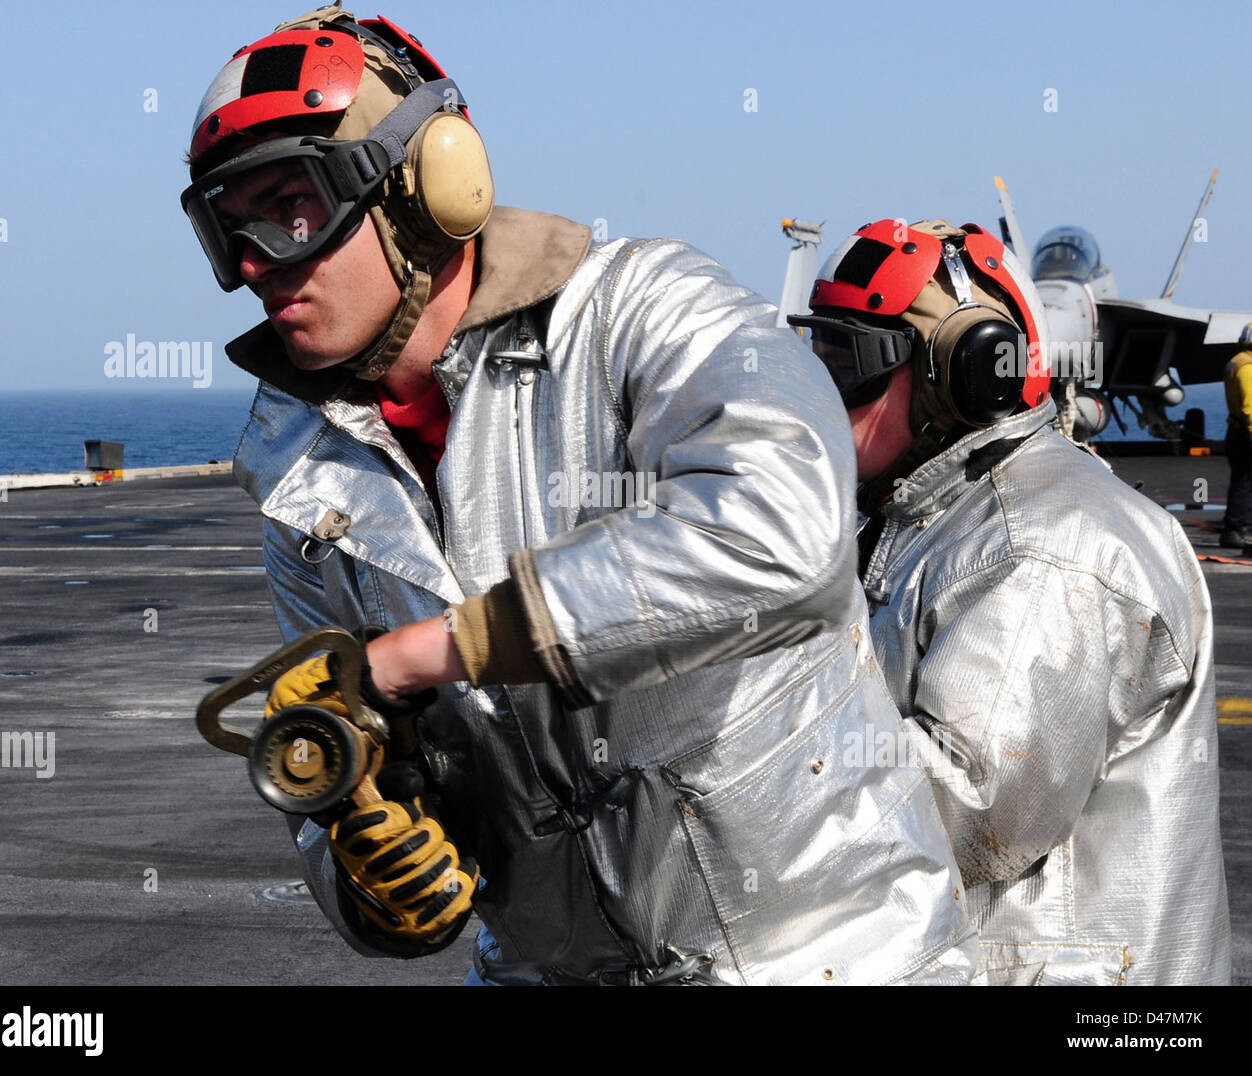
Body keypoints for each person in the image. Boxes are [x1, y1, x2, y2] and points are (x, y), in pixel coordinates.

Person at [180, 6, 978, 984]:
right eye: (228, 225)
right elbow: (357, 797)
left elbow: (784, 532)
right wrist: (359, 842)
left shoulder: (645, 314)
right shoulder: (302, 478)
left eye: (290, 207)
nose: (256, 258)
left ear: (430, 183)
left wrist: (447, 644)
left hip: (828, 961)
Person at [789, 217, 1232, 985]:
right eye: (818, 353)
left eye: (848, 362)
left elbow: (965, 807)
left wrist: (742, 762)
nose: (824, 392)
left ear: (965, 372)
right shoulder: (925, 513)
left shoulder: (1045, 551)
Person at [1221, 323, 1252, 548]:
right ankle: (1236, 531)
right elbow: (1250, 407)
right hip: (1246, 432)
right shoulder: (1248, 367)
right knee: (1244, 483)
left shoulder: (1237, 361)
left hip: (1237, 430)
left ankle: (1238, 528)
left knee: (1243, 482)